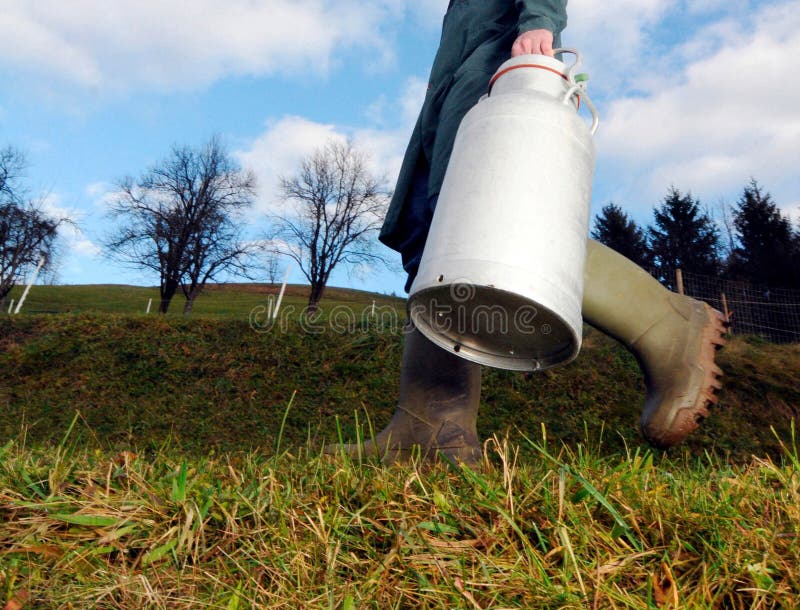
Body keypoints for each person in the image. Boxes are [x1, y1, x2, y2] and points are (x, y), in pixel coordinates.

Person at [328, 0, 728, 464]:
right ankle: (430, 424)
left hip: (493, 64)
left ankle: (666, 325)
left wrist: (540, 23)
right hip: (445, 94)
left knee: (477, 216)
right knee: (428, 238)